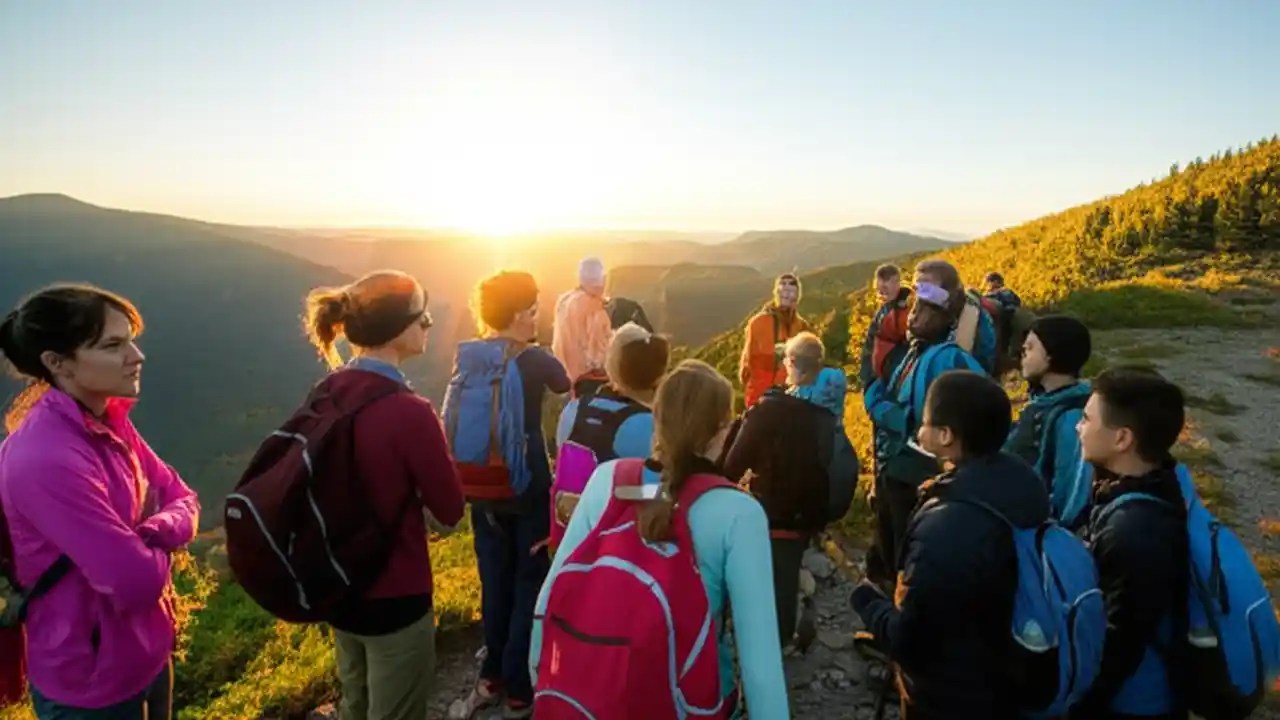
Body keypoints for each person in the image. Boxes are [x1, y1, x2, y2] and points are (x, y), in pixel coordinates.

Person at [531, 360, 790, 719]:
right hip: (686, 702)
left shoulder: (611, 481)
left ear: (657, 417)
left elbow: (549, 600)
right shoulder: (737, 513)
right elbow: (760, 669)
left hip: (593, 696)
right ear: (723, 430)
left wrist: (548, 685)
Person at [0, 284, 200, 720]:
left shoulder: (107, 419)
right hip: (89, 682)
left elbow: (182, 496)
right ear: (57, 363)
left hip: (144, 653)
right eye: (113, 345)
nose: (137, 355)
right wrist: (160, 540)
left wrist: (154, 532)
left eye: (131, 338)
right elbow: (136, 583)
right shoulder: (46, 459)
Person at [302, 270, 466, 720]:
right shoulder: (410, 411)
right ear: (399, 330)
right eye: (423, 318)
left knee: (355, 704)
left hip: (339, 587)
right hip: (396, 593)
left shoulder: (326, 392)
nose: (429, 325)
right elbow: (450, 509)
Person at [851, 370, 1051, 720]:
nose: (919, 430)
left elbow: (911, 640)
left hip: (950, 693)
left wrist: (868, 602)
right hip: (1006, 672)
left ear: (946, 436)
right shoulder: (1023, 484)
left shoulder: (947, 525)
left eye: (925, 423)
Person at [453, 270, 570, 720]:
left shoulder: (471, 359)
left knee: (494, 582)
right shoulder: (535, 360)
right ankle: (521, 688)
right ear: (522, 314)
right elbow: (568, 384)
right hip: (529, 489)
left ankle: (492, 673)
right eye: (535, 309)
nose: (537, 316)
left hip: (482, 491)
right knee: (528, 582)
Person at [1073, 367, 1189, 719]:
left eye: (1086, 419)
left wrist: (1076, 707)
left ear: (1122, 439)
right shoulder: (1161, 482)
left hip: (1133, 703)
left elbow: (1119, 643)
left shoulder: (1135, 531)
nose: (1079, 428)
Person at [722, 332, 848, 648]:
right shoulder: (827, 414)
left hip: (771, 511)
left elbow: (731, 467)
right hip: (809, 512)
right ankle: (787, 634)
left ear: (791, 364)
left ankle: (764, 644)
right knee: (786, 574)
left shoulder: (768, 409)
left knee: (767, 578)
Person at [861, 274, 984, 590]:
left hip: (914, 469)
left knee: (905, 548)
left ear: (945, 318)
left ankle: (900, 615)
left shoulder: (944, 358)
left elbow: (914, 415)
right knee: (891, 540)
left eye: (924, 310)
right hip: (901, 466)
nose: (914, 314)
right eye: (915, 307)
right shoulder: (916, 352)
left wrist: (875, 400)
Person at [551, 322, 669, 549]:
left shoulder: (574, 410)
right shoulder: (648, 426)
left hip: (571, 532)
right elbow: (654, 492)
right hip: (618, 541)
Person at [1004, 315, 1094, 528]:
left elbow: (1070, 488)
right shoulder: (1043, 404)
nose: (1022, 353)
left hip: (1039, 530)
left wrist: (1056, 532)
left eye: (1031, 348)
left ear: (1052, 355)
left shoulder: (1071, 414)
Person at [738, 273, 810, 408]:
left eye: (791, 290)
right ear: (775, 293)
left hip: (789, 395)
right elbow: (748, 364)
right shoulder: (758, 322)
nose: (787, 293)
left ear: (797, 296)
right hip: (761, 396)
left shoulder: (801, 326)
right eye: (782, 289)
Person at [914, 260, 997, 375]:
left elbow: (982, 367)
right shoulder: (926, 312)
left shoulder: (975, 321)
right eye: (918, 286)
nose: (921, 292)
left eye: (927, 285)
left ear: (947, 290)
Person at [552, 257, 613, 397]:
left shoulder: (564, 300)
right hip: (589, 382)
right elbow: (597, 354)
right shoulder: (592, 305)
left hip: (568, 380)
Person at [858, 264, 913, 390]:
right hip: (881, 376)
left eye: (885, 289)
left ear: (897, 283)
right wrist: (866, 376)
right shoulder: (884, 309)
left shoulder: (908, 308)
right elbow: (870, 343)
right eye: (879, 291)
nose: (882, 294)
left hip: (898, 377)